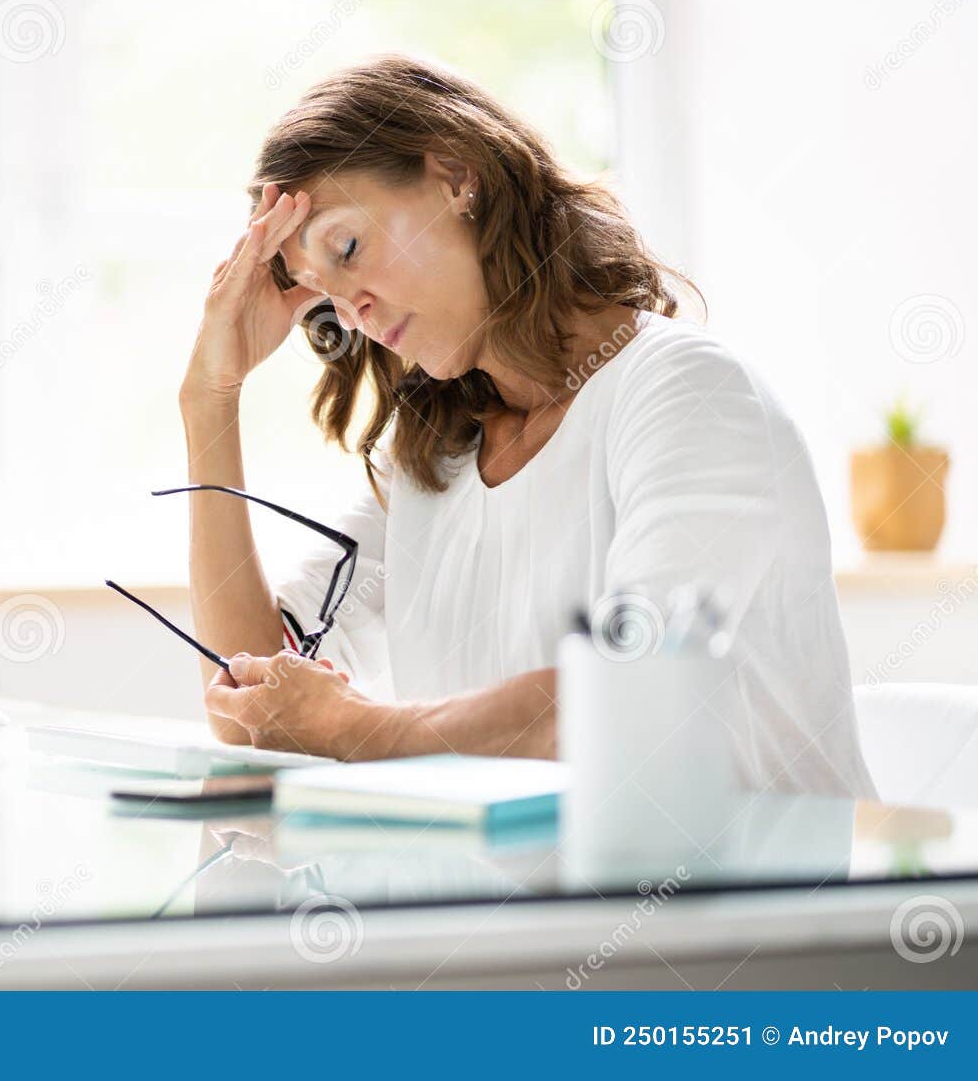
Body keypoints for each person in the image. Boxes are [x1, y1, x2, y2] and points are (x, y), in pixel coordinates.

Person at [180, 54, 873, 797]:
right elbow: (252, 703)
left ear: (456, 176)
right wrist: (210, 397)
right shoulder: (432, 459)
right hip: (538, 907)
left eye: (348, 249)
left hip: (762, 905)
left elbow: (630, 697)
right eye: (325, 297)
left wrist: (355, 730)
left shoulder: (687, 395)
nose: (355, 313)